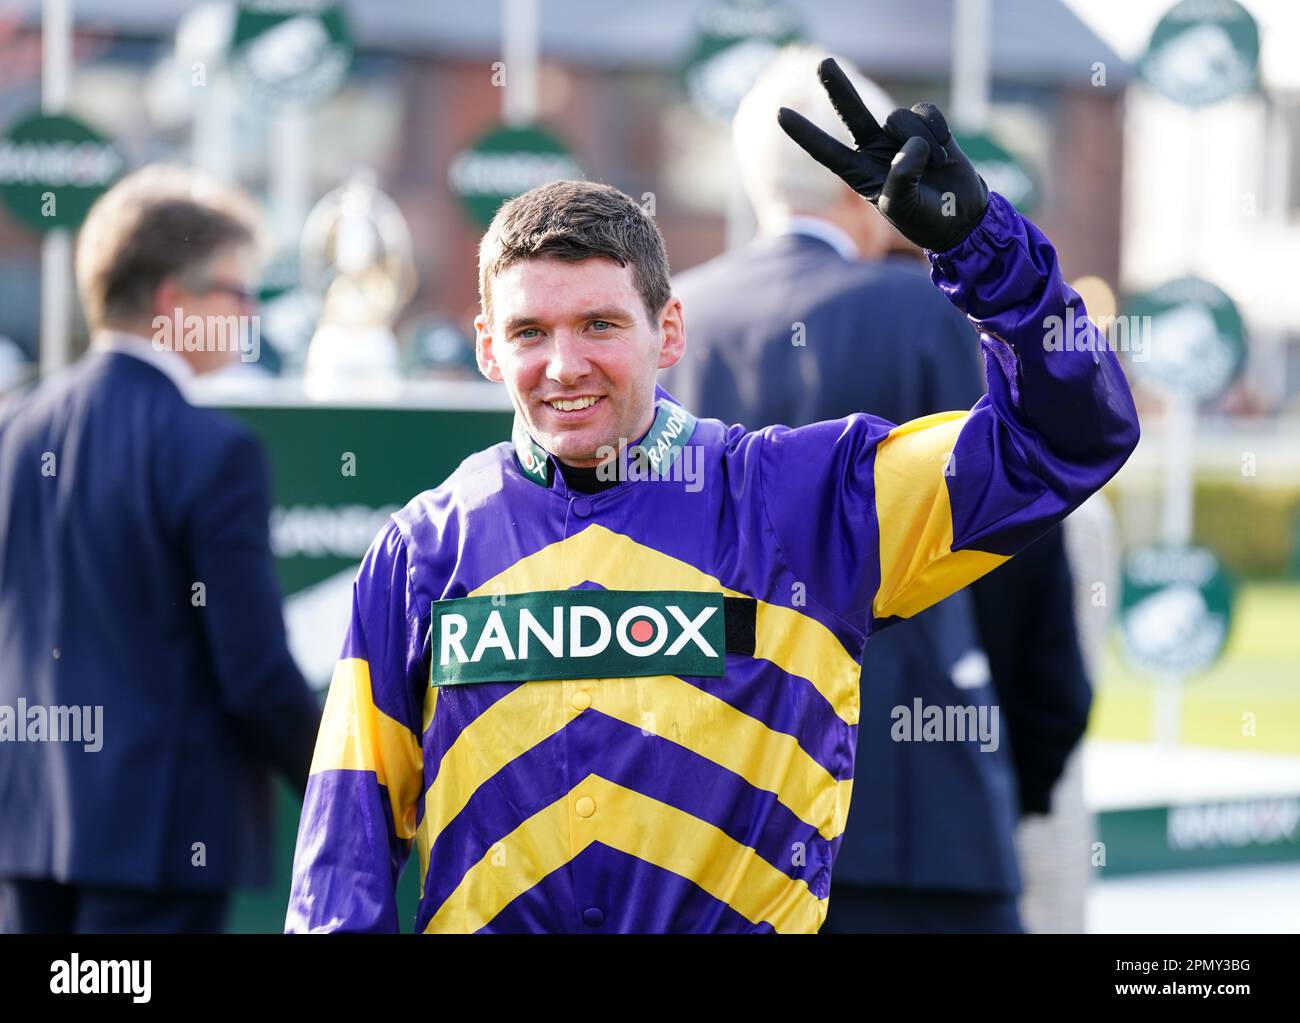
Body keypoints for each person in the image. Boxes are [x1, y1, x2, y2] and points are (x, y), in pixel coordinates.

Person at [285, 60, 1140, 933]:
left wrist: (985, 252)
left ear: (670, 332)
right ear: (487, 349)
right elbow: (341, 865)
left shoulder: (806, 501)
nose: (565, 363)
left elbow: (1072, 437)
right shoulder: (423, 549)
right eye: (530, 332)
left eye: (601, 325)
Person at [663, 47, 1091, 933]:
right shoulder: (941, 321)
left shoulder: (669, 330)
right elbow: (1018, 568)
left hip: (718, 821)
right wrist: (1017, 766)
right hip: (925, 831)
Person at [0, 165, 320, 934]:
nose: (250, 315)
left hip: (26, 835)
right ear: (177, 304)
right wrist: (345, 780)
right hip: (161, 840)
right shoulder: (211, 450)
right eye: (239, 293)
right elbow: (254, 672)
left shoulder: (13, 429)